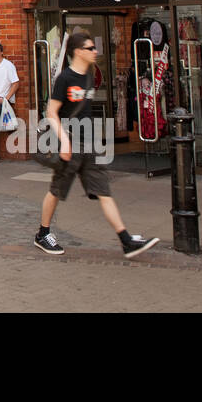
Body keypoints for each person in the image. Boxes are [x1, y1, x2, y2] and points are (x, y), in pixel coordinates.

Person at [34, 31, 159, 259]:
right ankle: (43, 234)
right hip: (70, 144)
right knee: (56, 191)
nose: (95, 51)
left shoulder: (89, 76)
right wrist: (63, 141)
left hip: (90, 144)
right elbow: (51, 112)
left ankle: (126, 240)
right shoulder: (65, 79)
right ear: (78, 52)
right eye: (90, 48)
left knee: (104, 191)